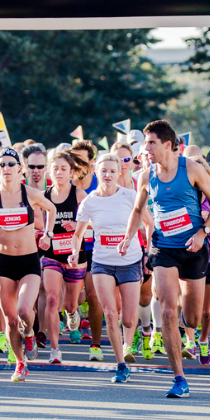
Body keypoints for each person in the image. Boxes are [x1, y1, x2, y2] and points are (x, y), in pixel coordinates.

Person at [123, 120, 210, 398]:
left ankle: (185, 327)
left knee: (192, 317)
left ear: (167, 145)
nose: (145, 148)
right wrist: (128, 236)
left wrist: (203, 232)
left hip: (193, 247)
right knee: (168, 310)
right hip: (164, 248)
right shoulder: (145, 176)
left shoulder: (191, 169)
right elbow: (136, 210)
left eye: (151, 143)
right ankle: (179, 378)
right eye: (145, 143)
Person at [0, 148, 54, 381]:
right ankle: (20, 363)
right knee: (9, 318)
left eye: (10, 164)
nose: (6, 168)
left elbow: (52, 209)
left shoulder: (31, 194)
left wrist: (47, 234)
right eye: (1, 165)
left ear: (20, 169)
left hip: (28, 261)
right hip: (3, 261)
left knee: (25, 310)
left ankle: (29, 334)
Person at [71, 153, 147, 383]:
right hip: (102, 262)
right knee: (111, 313)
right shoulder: (90, 201)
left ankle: (127, 344)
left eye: (112, 171)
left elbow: (149, 224)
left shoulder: (130, 196)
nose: (108, 175)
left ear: (119, 173)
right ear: (96, 172)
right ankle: (121, 364)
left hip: (130, 261)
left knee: (129, 318)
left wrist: (149, 253)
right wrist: (75, 251)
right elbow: (77, 234)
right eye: (104, 171)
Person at [39, 150, 86, 364]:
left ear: (71, 172)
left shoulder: (78, 194)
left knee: (69, 304)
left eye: (63, 169)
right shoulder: (44, 196)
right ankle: (55, 348)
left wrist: (77, 225)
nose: (58, 172)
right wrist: (41, 234)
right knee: (51, 298)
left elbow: (96, 220)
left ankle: (73, 312)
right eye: (55, 168)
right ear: (50, 170)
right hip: (51, 255)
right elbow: (38, 223)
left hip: (75, 254)